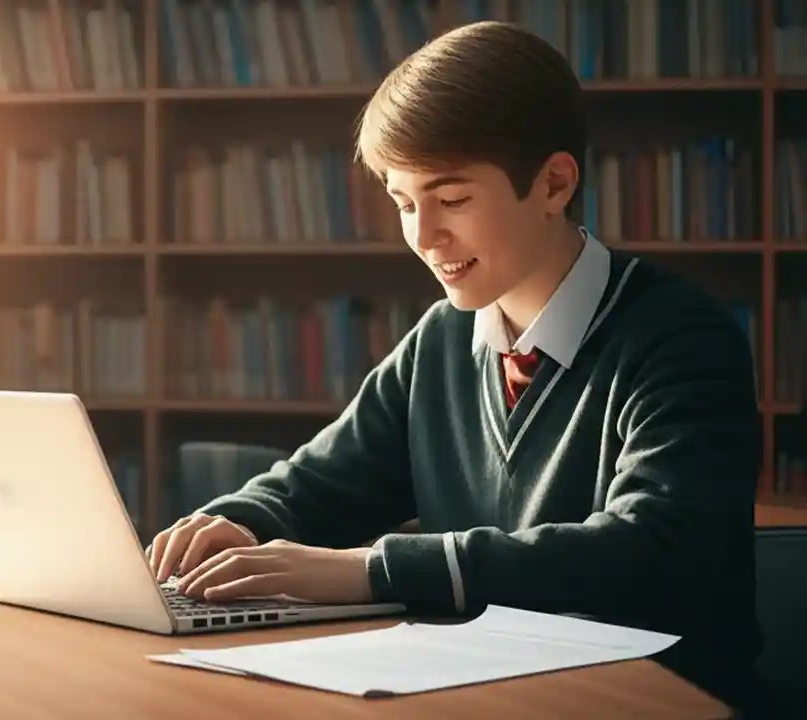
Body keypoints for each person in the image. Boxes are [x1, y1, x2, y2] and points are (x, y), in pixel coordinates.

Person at [147, 20, 762, 714]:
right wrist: (237, 526)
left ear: (554, 183)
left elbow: (652, 551)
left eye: (453, 199)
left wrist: (373, 570)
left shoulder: (683, 339)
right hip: (489, 694)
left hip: (655, 703)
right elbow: (324, 481)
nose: (423, 235)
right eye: (404, 203)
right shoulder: (442, 339)